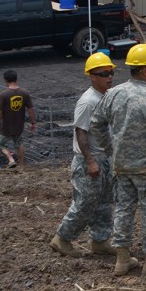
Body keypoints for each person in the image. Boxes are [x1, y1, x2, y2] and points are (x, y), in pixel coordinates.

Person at [89, 43, 146, 277]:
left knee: (123, 210)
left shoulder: (114, 94)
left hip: (121, 166)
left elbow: (95, 123)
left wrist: (110, 149)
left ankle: (122, 260)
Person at [51, 53, 119, 259]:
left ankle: (100, 241)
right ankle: (62, 238)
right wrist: (90, 161)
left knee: (104, 203)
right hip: (90, 159)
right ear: (92, 76)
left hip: (104, 158)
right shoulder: (88, 101)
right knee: (85, 202)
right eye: (104, 73)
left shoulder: (105, 97)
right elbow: (81, 132)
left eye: (111, 72)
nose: (109, 77)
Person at [0, 69, 35, 169]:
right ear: (16, 79)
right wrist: (33, 122)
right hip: (19, 124)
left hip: (6, 125)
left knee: (0, 144)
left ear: (5, 80)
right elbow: (30, 109)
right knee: (18, 143)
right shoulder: (24, 92)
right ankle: (22, 165)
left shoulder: (4, 94)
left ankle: (11, 159)